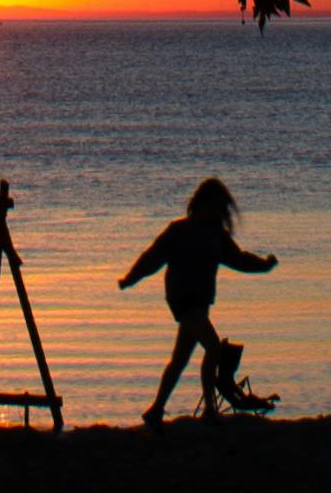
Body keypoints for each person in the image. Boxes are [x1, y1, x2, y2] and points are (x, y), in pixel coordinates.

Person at [119, 174, 280, 423]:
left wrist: (263, 265)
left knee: (180, 360)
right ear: (200, 203)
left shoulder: (216, 234)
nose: (215, 211)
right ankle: (210, 410)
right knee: (214, 347)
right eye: (212, 205)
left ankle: (156, 409)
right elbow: (152, 257)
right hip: (183, 300)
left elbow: (238, 259)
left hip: (201, 302)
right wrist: (131, 278)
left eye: (219, 207)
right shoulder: (179, 230)